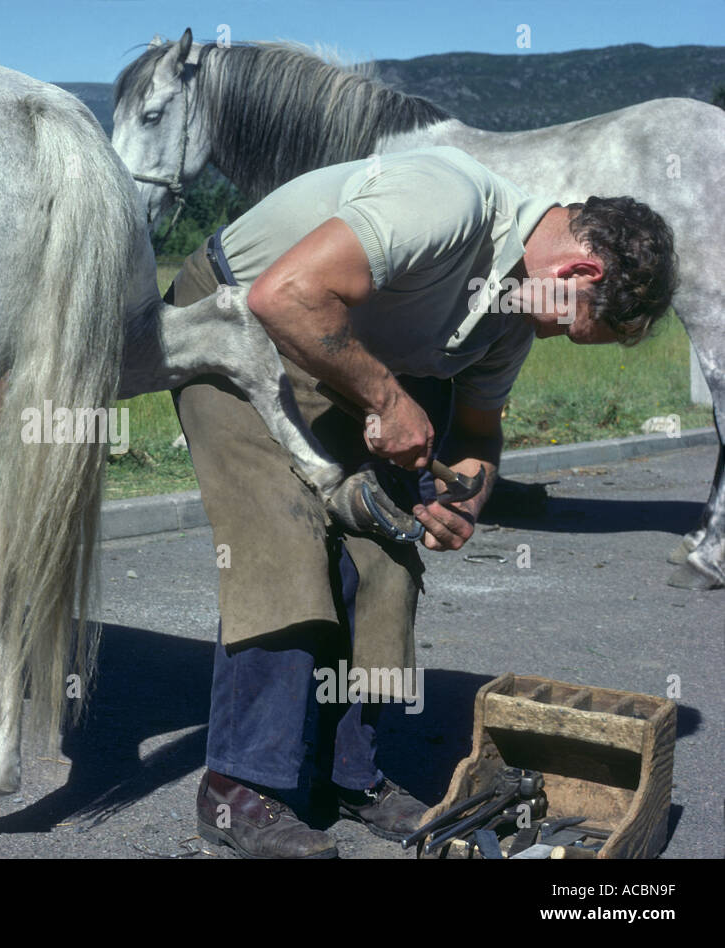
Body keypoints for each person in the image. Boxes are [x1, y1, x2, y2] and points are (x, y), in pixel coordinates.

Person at [165, 146, 677, 859]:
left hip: (336, 349)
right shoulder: (446, 202)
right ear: (579, 272)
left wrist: (464, 501)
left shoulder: (511, 314)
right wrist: (385, 399)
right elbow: (281, 295)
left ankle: (350, 776)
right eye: (571, 326)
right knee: (283, 535)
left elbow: (476, 432)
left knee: (387, 561)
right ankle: (238, 789)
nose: (556, 337)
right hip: (231, 322)